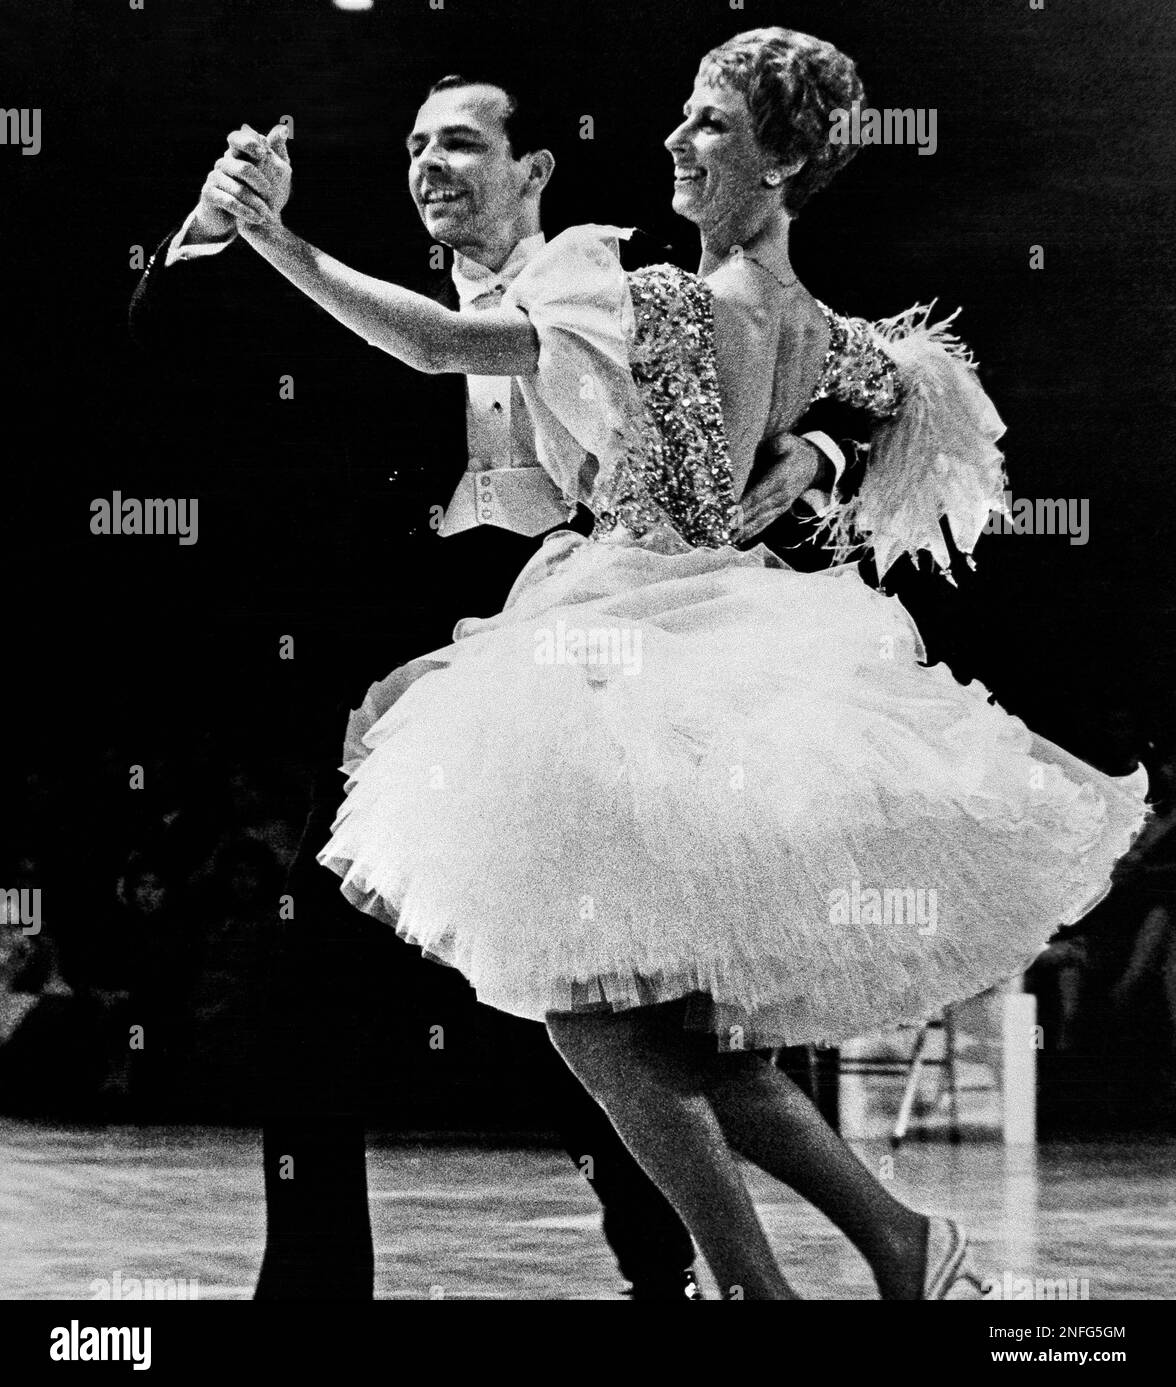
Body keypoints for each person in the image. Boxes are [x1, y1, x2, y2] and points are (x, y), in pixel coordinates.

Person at [212, 28, 1150, 1299]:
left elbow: (442, 343)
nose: (672, 139)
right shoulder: (818, 326)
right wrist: (821, 455)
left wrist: (278, 242)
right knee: (668, 1030)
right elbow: (931, 386)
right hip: (714, 644)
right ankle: (886, 1244)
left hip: (638, 646)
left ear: (780, 163)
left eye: (709, 123)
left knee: (603, 1017)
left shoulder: (651, 297)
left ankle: (773, 1285)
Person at [133, 69, 839, 1299]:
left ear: (535, 170)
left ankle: (670, 1261)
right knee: (311, 989)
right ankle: (309, 1290)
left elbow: (847, 355)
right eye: (414, 146)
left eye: (462, 144)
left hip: (601, 673)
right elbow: (164, 348)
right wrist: (213, 225)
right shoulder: (353, 303)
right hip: (416, 688)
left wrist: (819, 449)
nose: (430, 167)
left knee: (595, 999)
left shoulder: (627, 280)